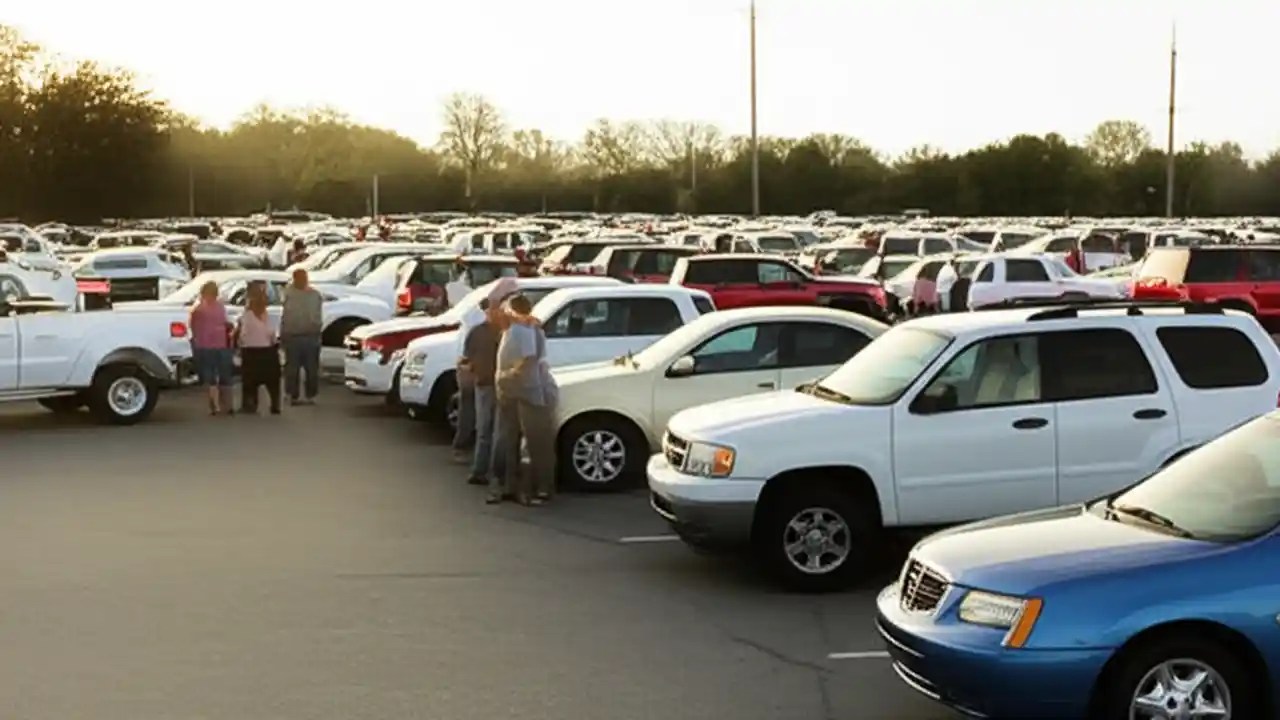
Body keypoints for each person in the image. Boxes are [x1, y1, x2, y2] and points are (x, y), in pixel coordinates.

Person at [495, 292, 558, 506]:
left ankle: (540, 488)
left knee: (535, 442)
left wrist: (511, 374)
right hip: (511, 391)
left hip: (529, 391)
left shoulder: (525, 330)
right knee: (510, 439)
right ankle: (511, 486)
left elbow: (529, 358)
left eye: (505, 309)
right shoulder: (515, 329)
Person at [462, 298, 504, 495]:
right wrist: (473, 371)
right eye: (489, 311)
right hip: (484, 384)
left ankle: (497, 473)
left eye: (495, 310)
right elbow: (467, 357)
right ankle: (480, 471)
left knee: (499, 431)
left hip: (502, 385)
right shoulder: (477, 332)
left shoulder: (505, 331)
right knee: (484, 430)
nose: (492, 314)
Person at [235, 281, 281, 415]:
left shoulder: (246, 317)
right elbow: (272, 334)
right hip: (268, 353)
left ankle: (250, 404)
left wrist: (240, 344)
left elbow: (242, 335)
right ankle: (275, 405)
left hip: (250, 353)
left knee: (249, 382)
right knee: (273, 383)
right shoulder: (268, 317)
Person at [189, 280, 235, 415]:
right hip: (222, 344)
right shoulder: (221, 307)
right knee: (225, 376)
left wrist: (195, 339)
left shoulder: (198, 309)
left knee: (211, 378)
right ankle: (228, 405)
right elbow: (227, 323)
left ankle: (215, 406)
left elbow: (192, 326)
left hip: (205, 345)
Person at [280, 268, 323, 405]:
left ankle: (296, 394)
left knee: (297, 367)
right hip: (304, 335)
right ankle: (302, 394)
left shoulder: (290, 293)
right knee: (304, 368)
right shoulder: (313, 294)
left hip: (300, 335)